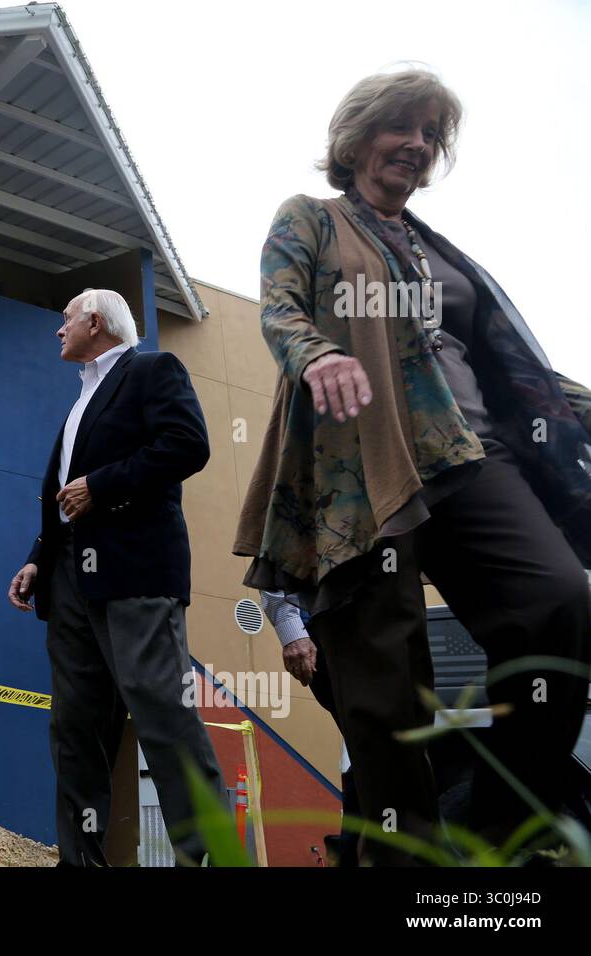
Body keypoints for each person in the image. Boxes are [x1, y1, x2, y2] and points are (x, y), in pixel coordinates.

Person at [235, 68, 591, 864]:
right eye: (404, 126)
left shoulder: (441, 251)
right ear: (358, 134)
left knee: (558, 601)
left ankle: (503, 837)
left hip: (474, 455)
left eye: (432, 134)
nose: (419, 144)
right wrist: (316, 353)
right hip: (360, 466)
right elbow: (280, 309)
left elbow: (516, 368)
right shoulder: (312, 218)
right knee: (386, 684)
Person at [8, 288, 225, 866]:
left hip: (135, 573)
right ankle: (79, 862)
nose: (59, 330)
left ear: (96, 322)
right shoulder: (80, 400)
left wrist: (102, 486)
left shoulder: (152, 370)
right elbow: (65, 494)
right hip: (68, 581)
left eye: (66, 319)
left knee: (162, 712)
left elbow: (188, 445)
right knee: (75, 727)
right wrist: (38, 556)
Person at [259, 589, 359, 866]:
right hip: (331, 628)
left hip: (378, 628)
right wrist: (291, 629)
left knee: (379, 756)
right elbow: (274, 565)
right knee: (372, 752)